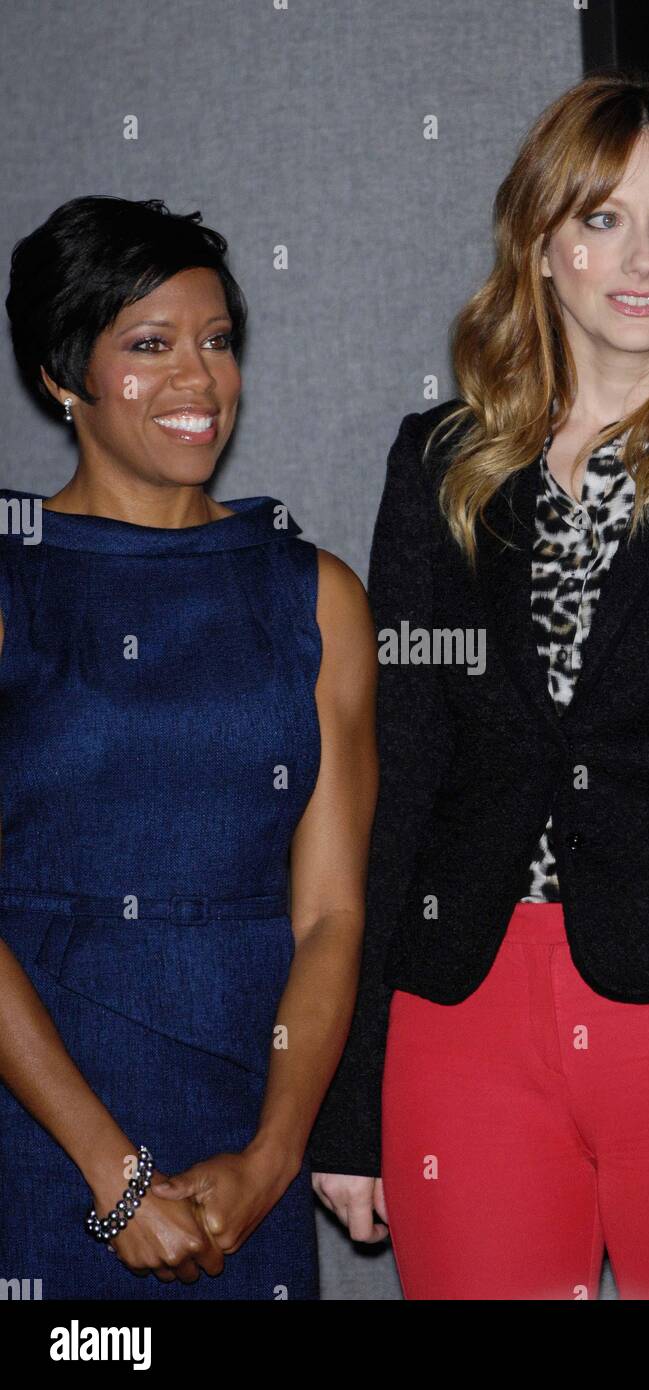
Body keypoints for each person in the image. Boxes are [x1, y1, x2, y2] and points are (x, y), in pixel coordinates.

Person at [307, 71, 649, 1299]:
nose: (644, 257)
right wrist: (350, 1097)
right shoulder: (439, 463)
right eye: (603, 216)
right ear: (541, 242)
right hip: (462, 1016)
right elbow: (397, 782)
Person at [0, 195, 377, 1299]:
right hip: (38, 1122)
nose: (197, 382)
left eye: (216, 343)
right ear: (61, 375)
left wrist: (271, 1158)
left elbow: (330, 915)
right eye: (149, 346)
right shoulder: (14, 584)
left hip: (243, 1125)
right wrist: (112, 1176)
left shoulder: (315, 594)